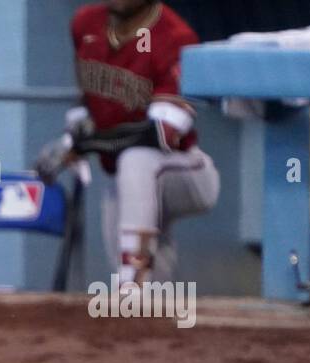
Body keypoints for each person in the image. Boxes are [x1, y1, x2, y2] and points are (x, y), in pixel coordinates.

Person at [34, 1, 219, 286]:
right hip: (125, 181)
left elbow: (160, 134)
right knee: (149, 281)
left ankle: (132, 287)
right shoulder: (85, 24)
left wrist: (87, 143)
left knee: (136, 160)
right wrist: (71, 138)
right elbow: (92, 104)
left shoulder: (175, 37)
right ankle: (149, 307)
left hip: (186, 172)